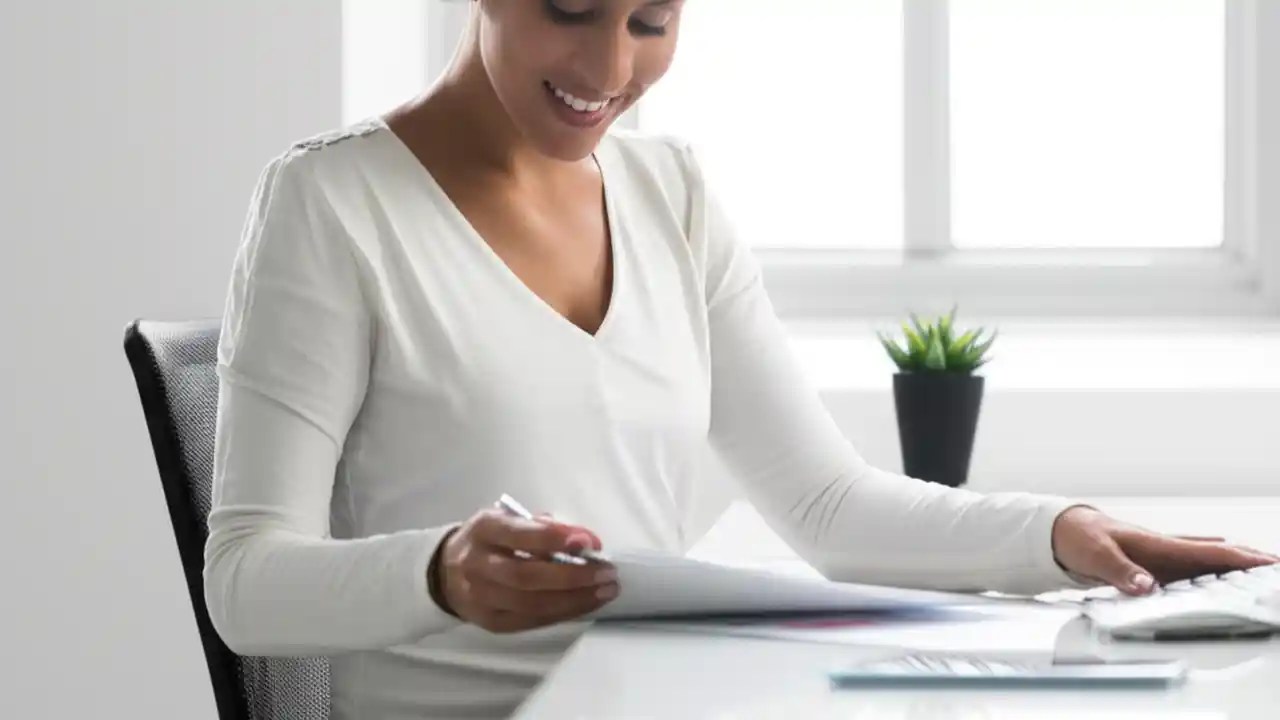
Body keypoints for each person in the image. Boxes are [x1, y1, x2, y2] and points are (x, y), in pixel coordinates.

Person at [203, 1, 1277, 718]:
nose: (608, 69)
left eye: (650, 21)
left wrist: (1059, 532)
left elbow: (823, 504)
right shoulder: (331, 206)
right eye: (570, 7)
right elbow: (249, 587)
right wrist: (439, 572)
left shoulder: (669, 192)